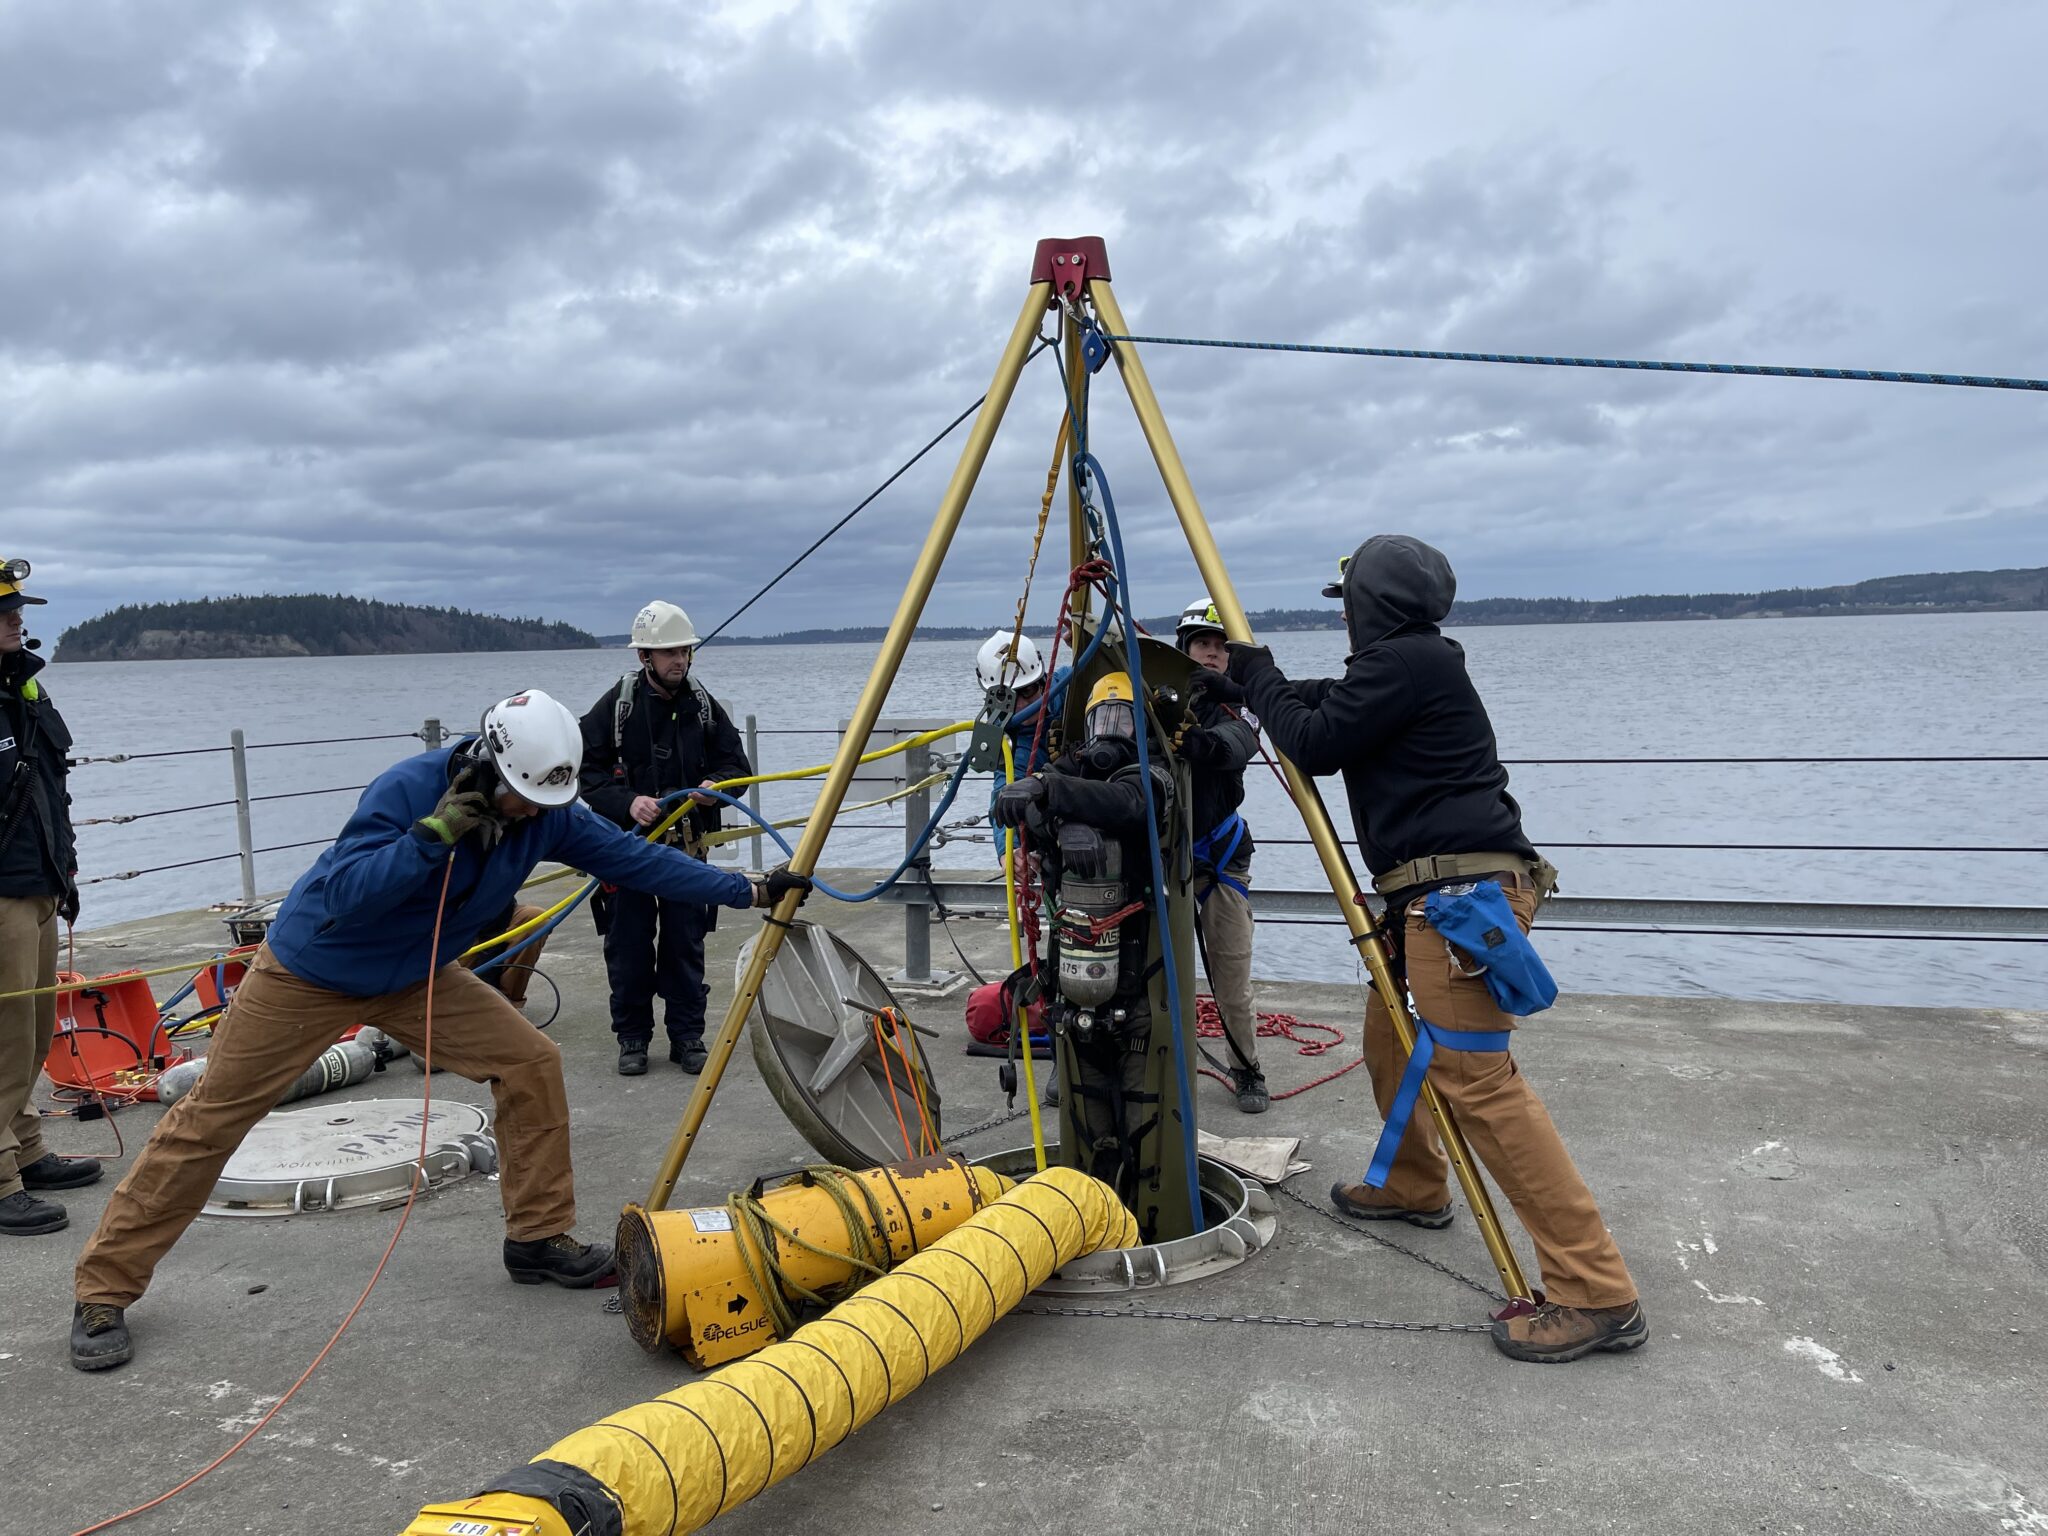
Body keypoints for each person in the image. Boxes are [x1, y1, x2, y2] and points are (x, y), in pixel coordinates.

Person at [69, 689, 812, 1371]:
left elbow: (629, 857)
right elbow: (342, 896)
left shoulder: (546, 808)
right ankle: (103, 1292)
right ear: (486, 765)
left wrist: (745, 889)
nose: (527, 812)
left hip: (415, 976)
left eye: (539, 801)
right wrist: (431, 837)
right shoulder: (408, 789)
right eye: (516, 797)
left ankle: (536, 1238)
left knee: (530, 1061)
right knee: (208, 1123)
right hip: (311, 971)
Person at [1225, 535, 1643, 1365]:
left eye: (1346, 603)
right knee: (1389, 1039)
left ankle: (1597, 1292)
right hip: (1428, 898)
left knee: (1479, 1086)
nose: (1343, 618)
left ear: (1368, 604)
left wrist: (1254, 672)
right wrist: (1239, 683)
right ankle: (1414, 1182)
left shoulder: (1409, 664)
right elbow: (1317, 706)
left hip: (1457, 906)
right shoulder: (1408, 668)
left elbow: (1312, 740)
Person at [994, 672, 1181, 1221]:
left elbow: (1127, 803)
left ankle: (1146, 1204)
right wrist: (1034, 808)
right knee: (1088, 1095)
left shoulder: (1155, 778)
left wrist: (1051, 793)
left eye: (1124, 720)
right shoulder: (1068, 773)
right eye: (1103, 720)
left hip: (1138, 969)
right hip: (1075, 965)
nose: (1111, 733)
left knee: (1141, 1096)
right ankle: (1092, 1203)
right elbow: (1033, 802)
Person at [578, 602, 752, 1077]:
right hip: (627, 851)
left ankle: (687, 1036)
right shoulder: (617, 707)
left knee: (684, 943)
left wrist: (718, 789)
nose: (679, 659)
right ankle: (632, 1037)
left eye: (684, 650)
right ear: (645, 658)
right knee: (628, 944)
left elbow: (738, 769)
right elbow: (581, 772)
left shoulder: (702, 705)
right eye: (669, 652)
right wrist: (627, 802)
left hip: (687, 848)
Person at [1, 557, 99, 1237]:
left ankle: (26, 1149)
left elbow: (47, 797)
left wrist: (64, 874)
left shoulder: (22, 694)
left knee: (32, 1035)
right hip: (0, 893)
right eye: (4, 614)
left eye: (16, 611)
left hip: (35, 883)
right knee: (1, 1039)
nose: (16, 620)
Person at [1175, 598, 1267, 1114]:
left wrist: (1200, 745)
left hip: (1220, 855)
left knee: (1230, 975)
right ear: (1185, 649)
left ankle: (1246, 1067)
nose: (1211, 654)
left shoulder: (1239, 703)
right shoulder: (1154, 699)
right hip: (1162, 856)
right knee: (1138, 972)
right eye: (1202, 644)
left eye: (1220, 647)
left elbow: (1238, 743)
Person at [974, 629, 1070, 845]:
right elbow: (1003, 795)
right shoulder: (1008, 740)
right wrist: (1010, 850)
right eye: (1006, 697)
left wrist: (1089, 640)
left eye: (1027, 691)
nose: (1021, 706)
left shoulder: (1069, 686)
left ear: (1043, 681)